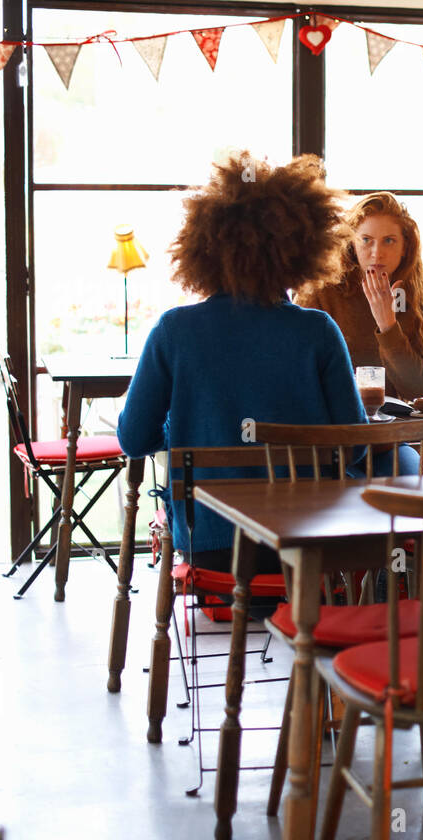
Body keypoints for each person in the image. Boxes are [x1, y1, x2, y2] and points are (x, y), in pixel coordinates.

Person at [117, 152, 365, 574]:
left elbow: (134, 439)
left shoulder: (174, 330)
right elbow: (355, 445)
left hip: (207, 547)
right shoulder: (318, 331)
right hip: (304, 547)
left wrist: (192, 431)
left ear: (204, 249)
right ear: (302, 251)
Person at [297, 192, 423, 403]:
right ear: (352, 243)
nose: (377, 253)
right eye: (366, 240)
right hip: (333, 424)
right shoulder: (323, 289)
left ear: (405, 248)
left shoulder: (417, 295)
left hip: (390, 427)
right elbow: (297, 368)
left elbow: (417, 389)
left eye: (389, 240)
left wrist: (388, 324)